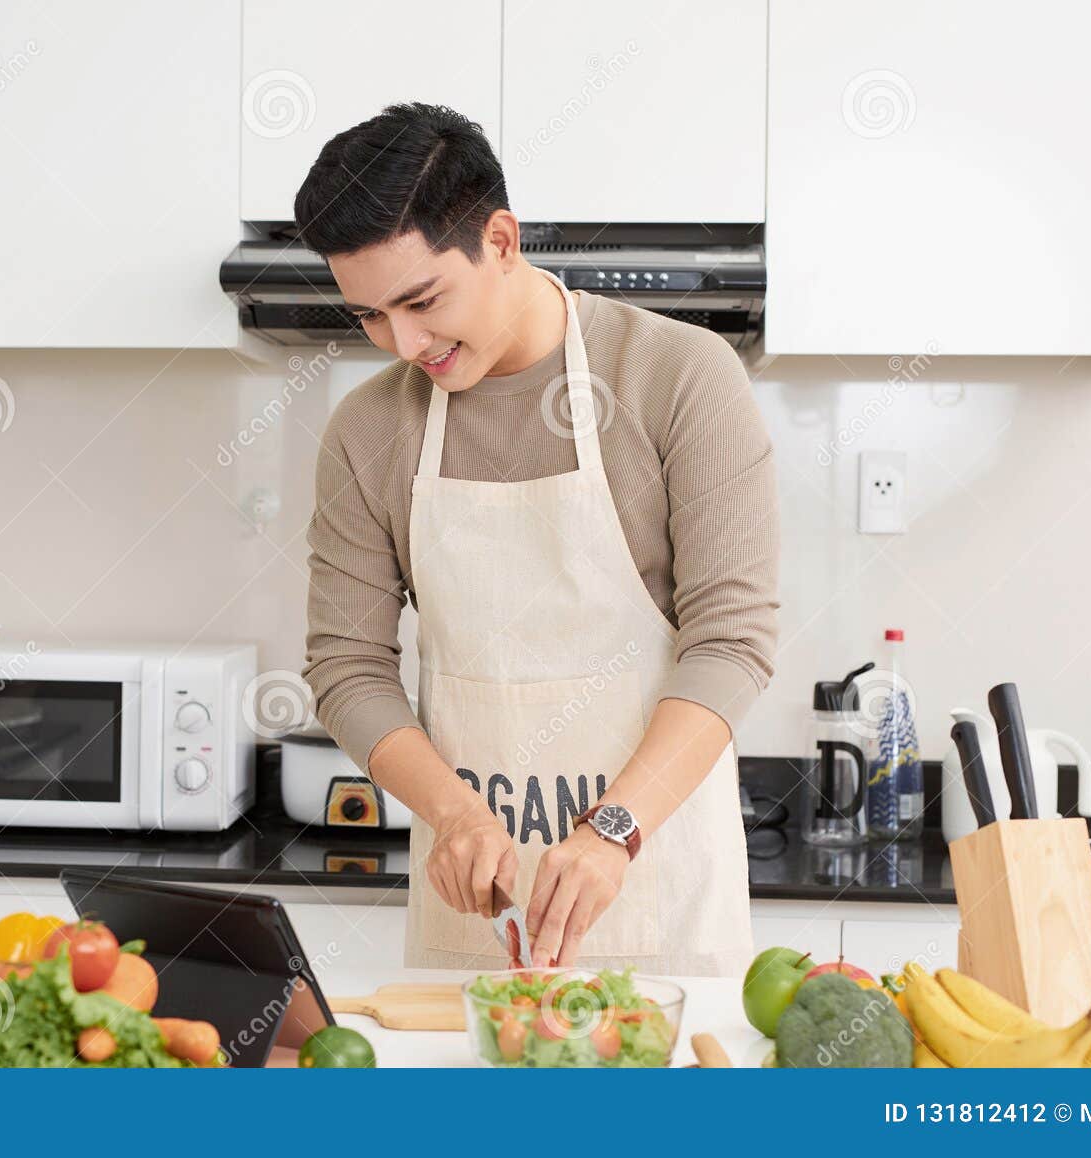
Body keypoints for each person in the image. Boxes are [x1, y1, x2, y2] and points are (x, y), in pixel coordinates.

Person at [297, 103, 778, 975]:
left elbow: (732, 643)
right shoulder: (369, 431)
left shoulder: (676, 376)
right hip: (474, 913)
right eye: (368, 316)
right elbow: (345, 667)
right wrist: (454, 814)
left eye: (422, 300)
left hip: (659, 896)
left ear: (503, 239)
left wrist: (612, 831)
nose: (405, 344)